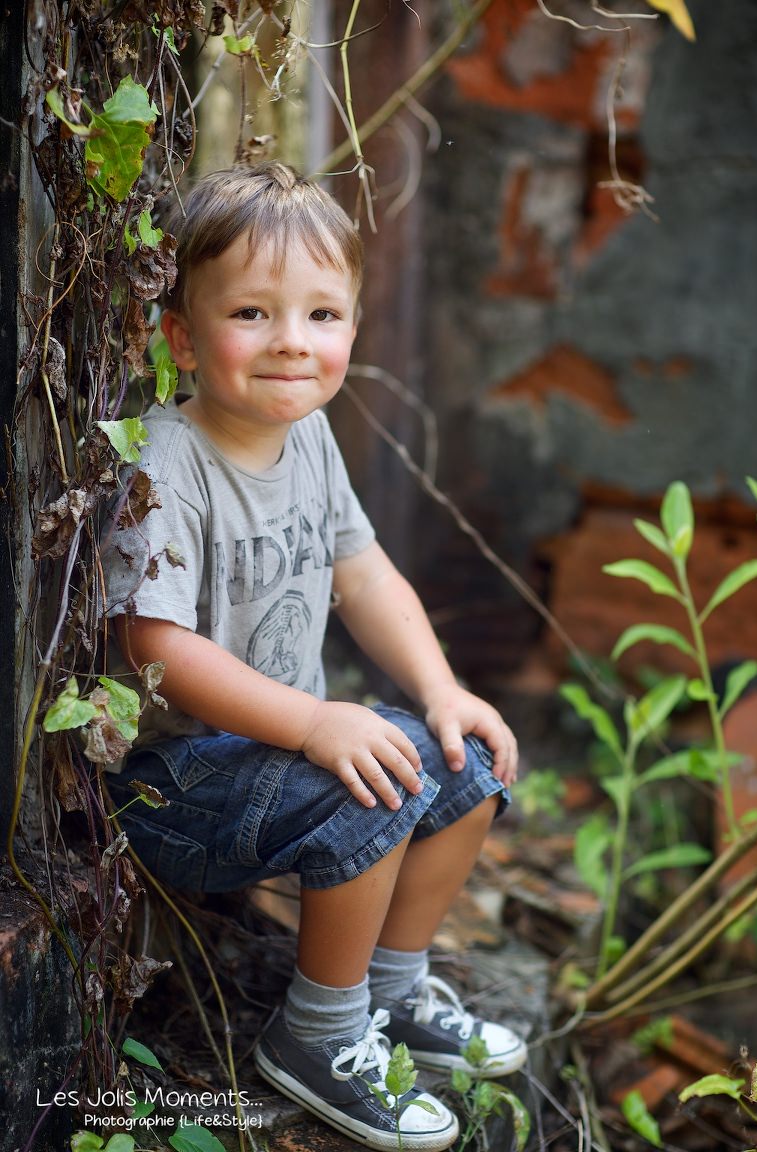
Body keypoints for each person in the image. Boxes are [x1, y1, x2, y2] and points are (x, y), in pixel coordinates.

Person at [101, 162, 527, 1151]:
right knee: (368, 786)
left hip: (280, 762)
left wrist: (441, 690)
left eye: (323, 314)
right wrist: (317, 721)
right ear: (181, 336)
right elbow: (152, 642)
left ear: (351, 327)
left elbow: (367, 576)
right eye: (252, 311)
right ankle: (317, 1036)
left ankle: (391, 989)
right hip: (177, 783)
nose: (293, 340)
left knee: (463, 767)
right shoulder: (169, 457)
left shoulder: (310, 438)